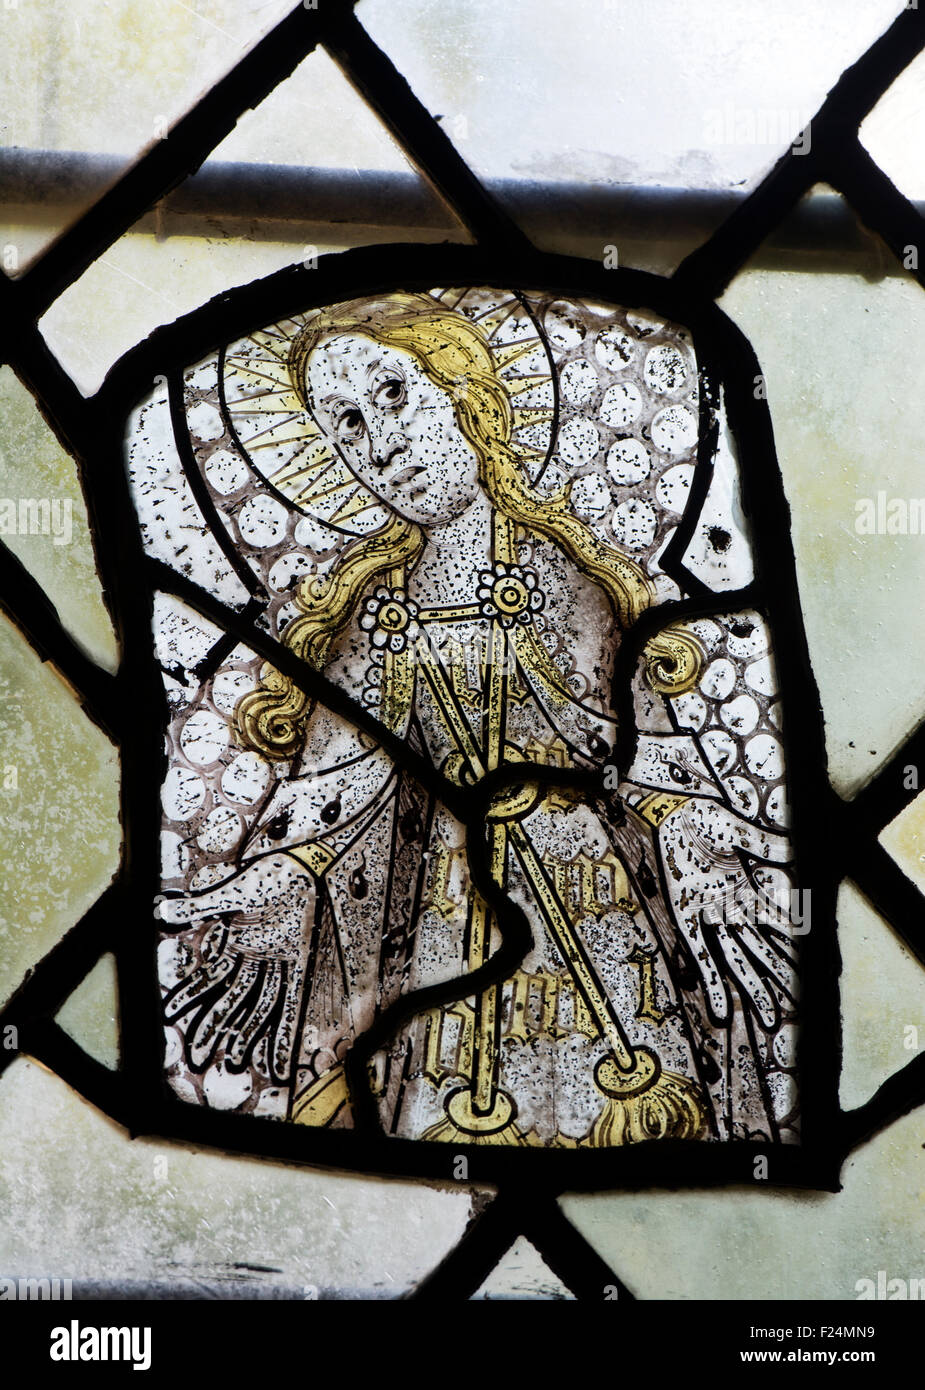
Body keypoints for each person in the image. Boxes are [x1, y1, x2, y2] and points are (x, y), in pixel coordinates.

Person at [157, 291, 798, 1148]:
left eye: (393, 397)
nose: (379, 446)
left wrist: (691, 826)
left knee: (646, 1149)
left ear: (464, 394)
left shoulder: (567, 583)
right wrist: (285, 881)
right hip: (439, 951)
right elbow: (335, 807)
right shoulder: (365, 621)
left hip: (610, 928)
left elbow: (647, 767)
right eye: (345, 427)